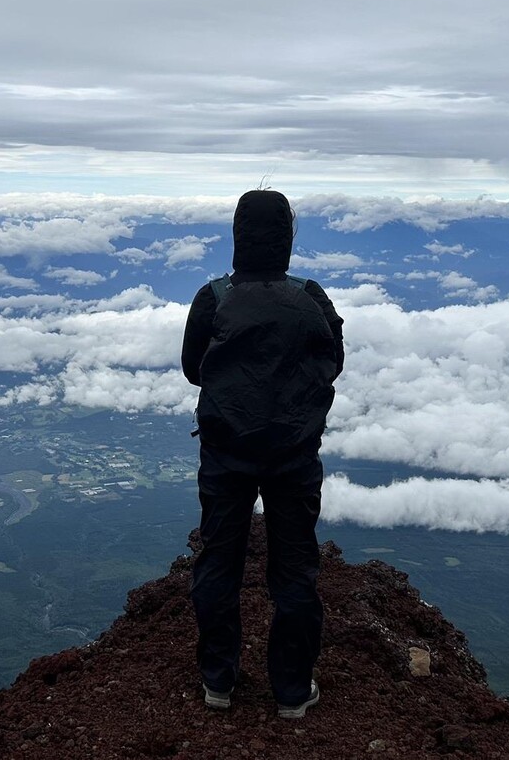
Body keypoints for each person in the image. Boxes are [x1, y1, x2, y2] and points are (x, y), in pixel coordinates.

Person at [180, 189, 345, 719]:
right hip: (294, 455)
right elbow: (333, 360)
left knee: (218, 562)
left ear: (236, 235)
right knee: (295, 570)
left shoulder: (214, 297)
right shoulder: (310, 296)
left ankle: (218, 683)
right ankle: (293, 692)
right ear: (287, 238)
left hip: (226, 452)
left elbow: (192, 368)